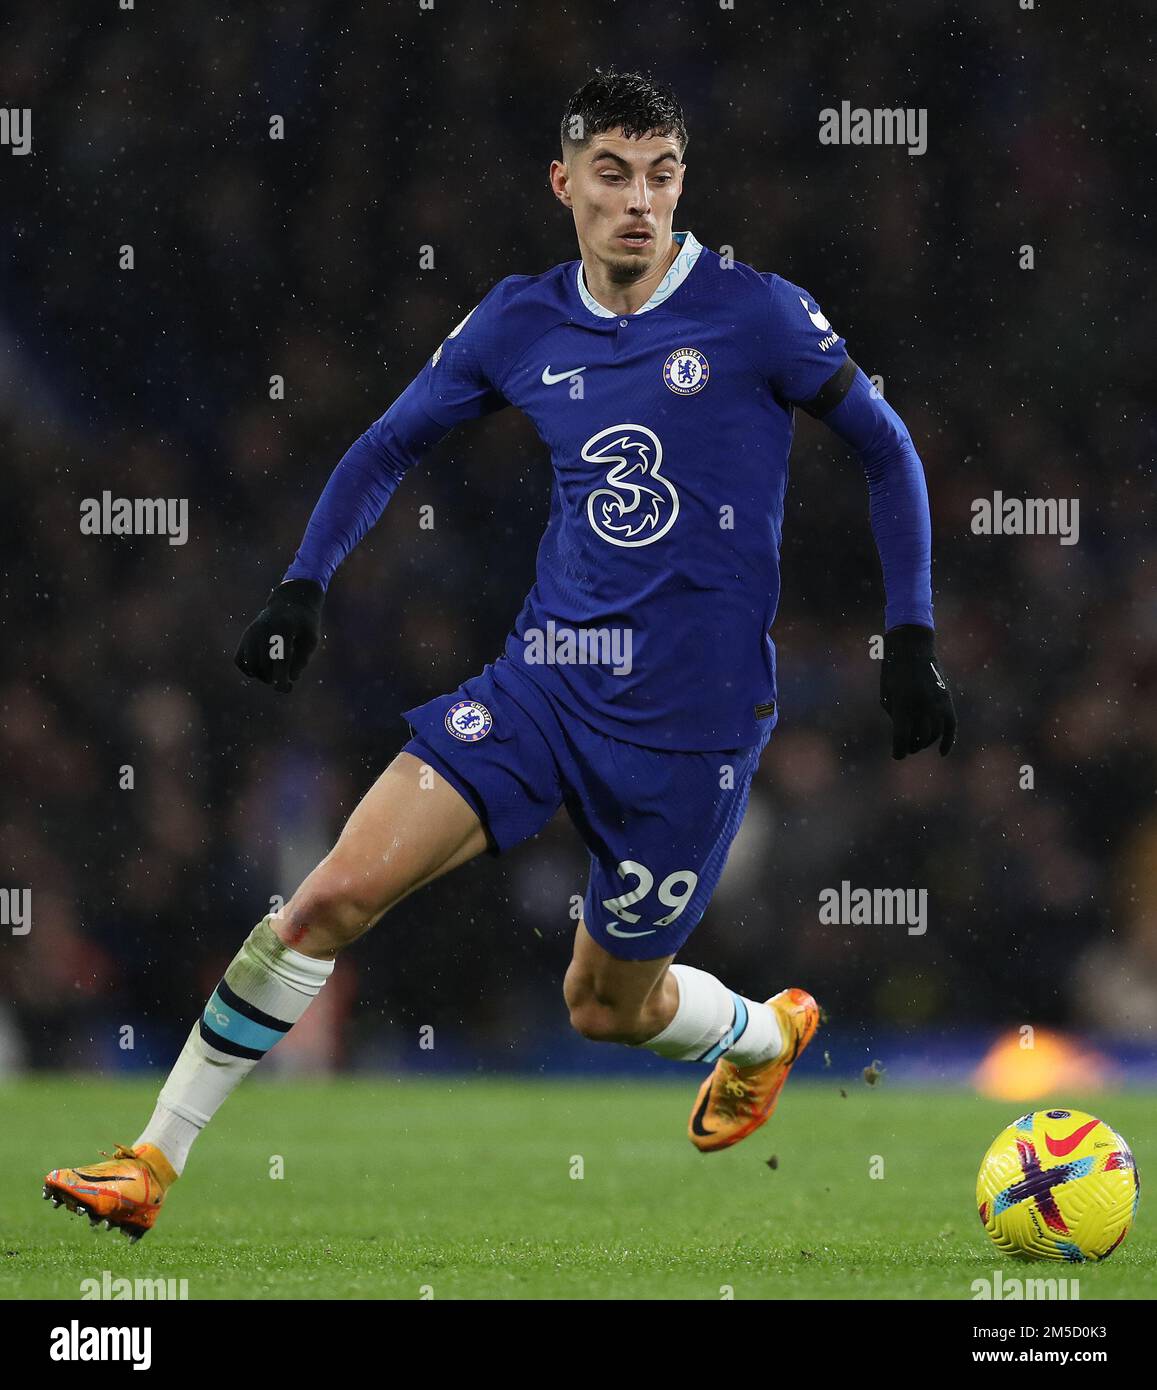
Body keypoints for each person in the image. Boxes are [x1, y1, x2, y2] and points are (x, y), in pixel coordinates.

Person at [44, 69, 954, 1240]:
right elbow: (383, 444)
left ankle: (762, 1034)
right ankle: (149, 1161)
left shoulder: (756, 313)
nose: (638, 201)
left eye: (661, 176)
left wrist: (912, 636)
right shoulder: (518, 320)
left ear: (683, 185)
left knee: (602, 1007)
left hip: (692, 728)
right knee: (328, 896)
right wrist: (301, 587)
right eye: (612, 174)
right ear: (562, 181)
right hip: (541, 684)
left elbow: (886, 450)